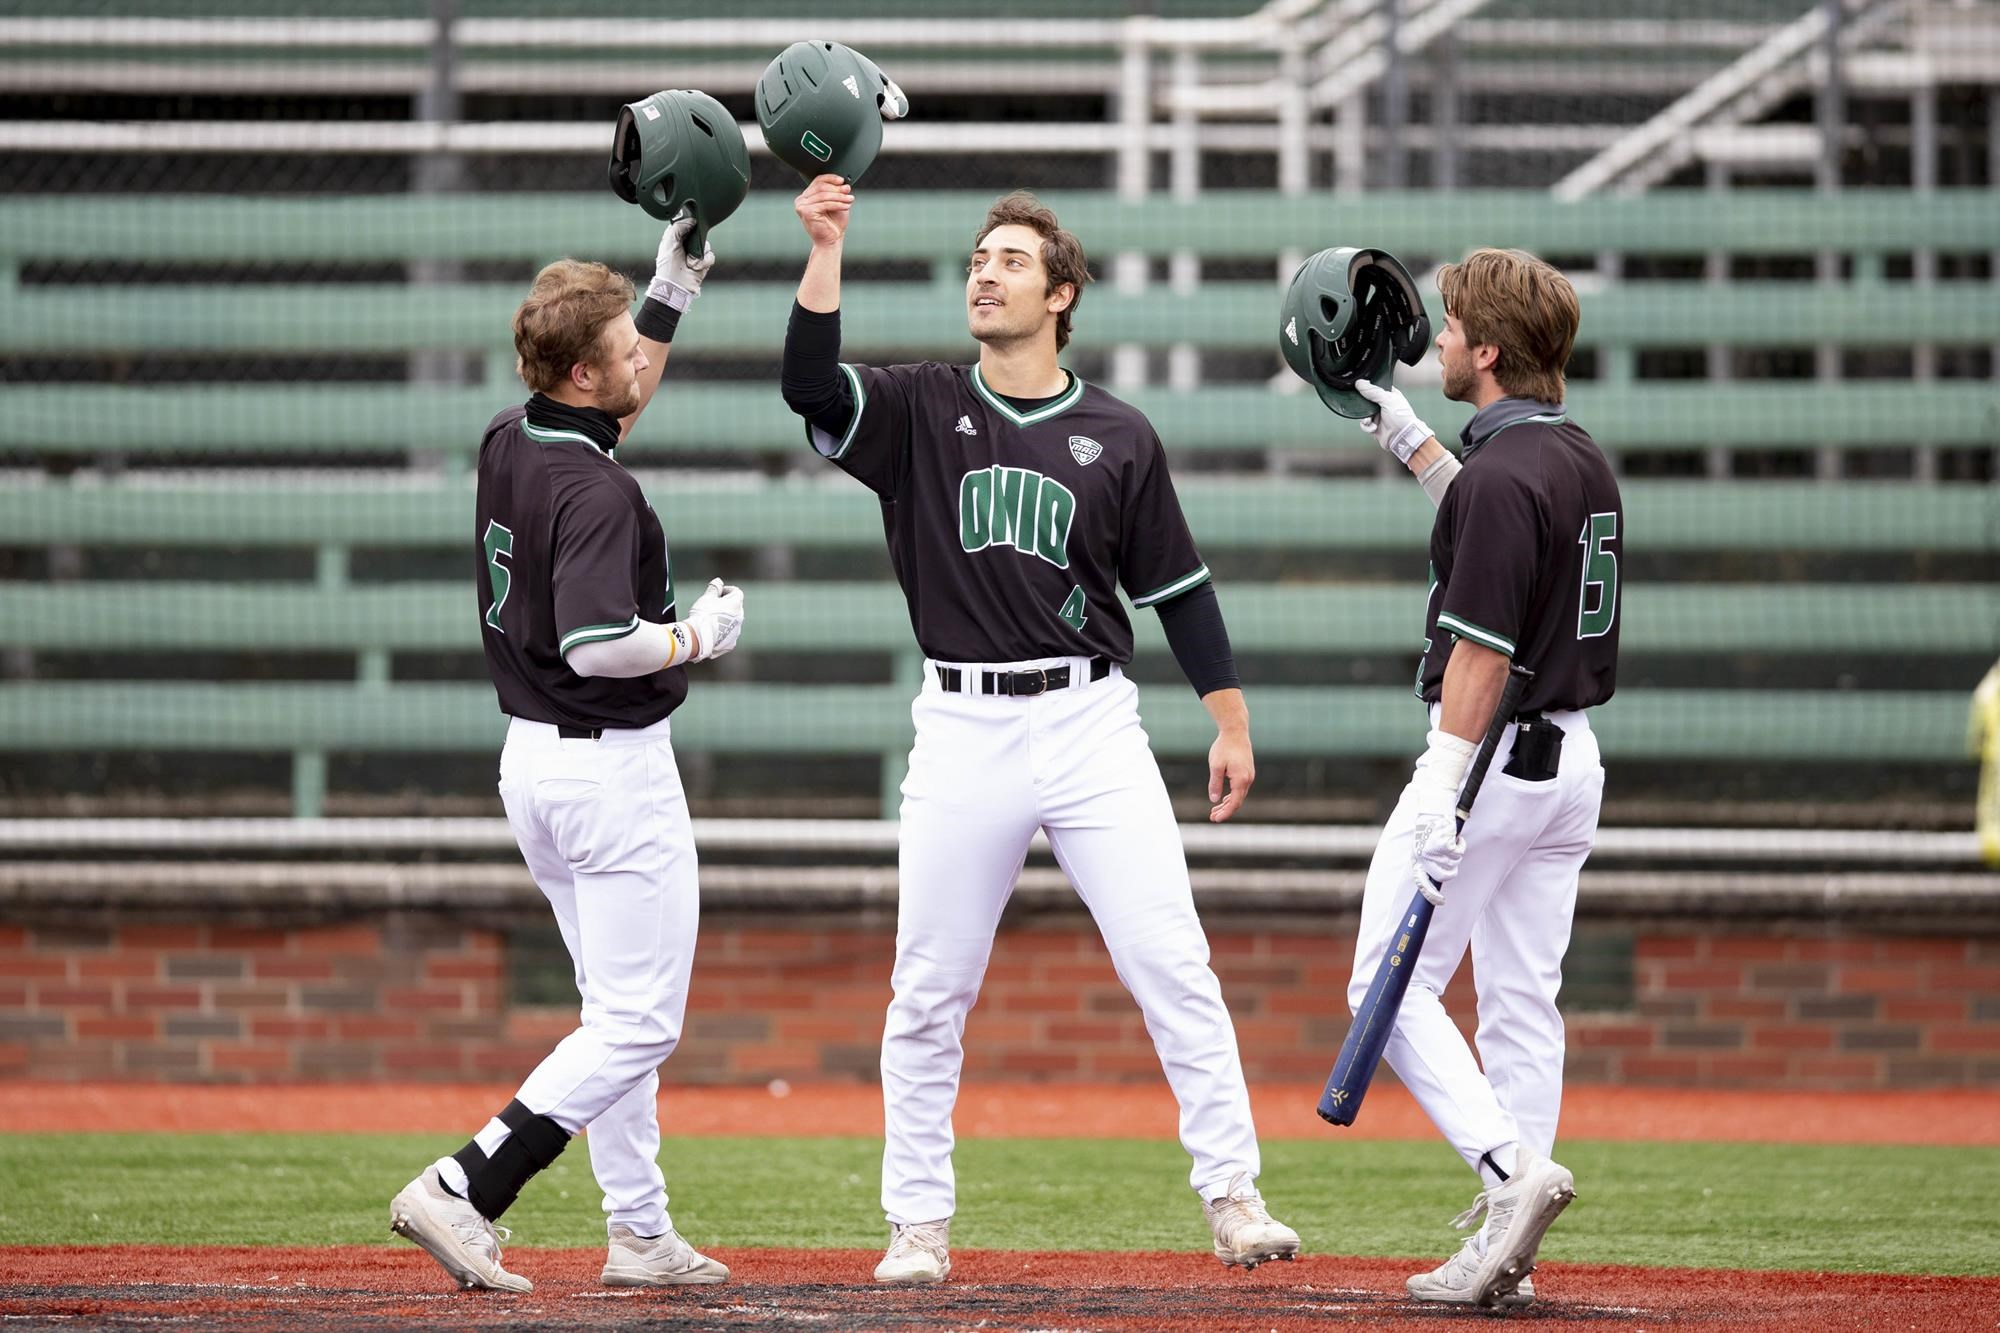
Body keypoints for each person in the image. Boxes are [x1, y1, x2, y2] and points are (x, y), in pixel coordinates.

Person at [780, 179, 1300, 1286]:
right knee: (929, 988)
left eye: (1011, 261)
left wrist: (1229, 720)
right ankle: (917, 1222)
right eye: (980, 259)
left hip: (1089, 718)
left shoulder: (1118, 432)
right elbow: (809, 385)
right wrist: (825, 249)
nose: (986, 274)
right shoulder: (920, 407)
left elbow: (1179, 590)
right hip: (961, 721)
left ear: (1061, 295)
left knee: (1172, 961)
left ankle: (1233, 1194)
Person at [389, 218, 745, 1293]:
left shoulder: (512, 434)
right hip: (608, 768)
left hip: (535, 763)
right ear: (583, 372)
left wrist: (670, 293)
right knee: (639, 1022)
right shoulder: (598, 491)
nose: (642, 358)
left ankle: (639, 1232)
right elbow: (599, 644)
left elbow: (612, 409)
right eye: (627, 345)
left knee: (613, 1017)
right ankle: (464, 1185)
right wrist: (698, 637)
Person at [1347, 247, 1621, 1309]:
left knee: (1386, 984)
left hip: (1491, 758)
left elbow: (1481, 650)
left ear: (1492, 350)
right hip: (1569, 762)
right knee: (1518, 1000)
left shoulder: (1508, 475)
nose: (1442, 343)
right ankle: (1516, 1246)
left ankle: (1510, 1177)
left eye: (1456, 328)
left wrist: (1440, 787)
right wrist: (1410, 441)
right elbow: (1497, 523)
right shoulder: (1573, 454)